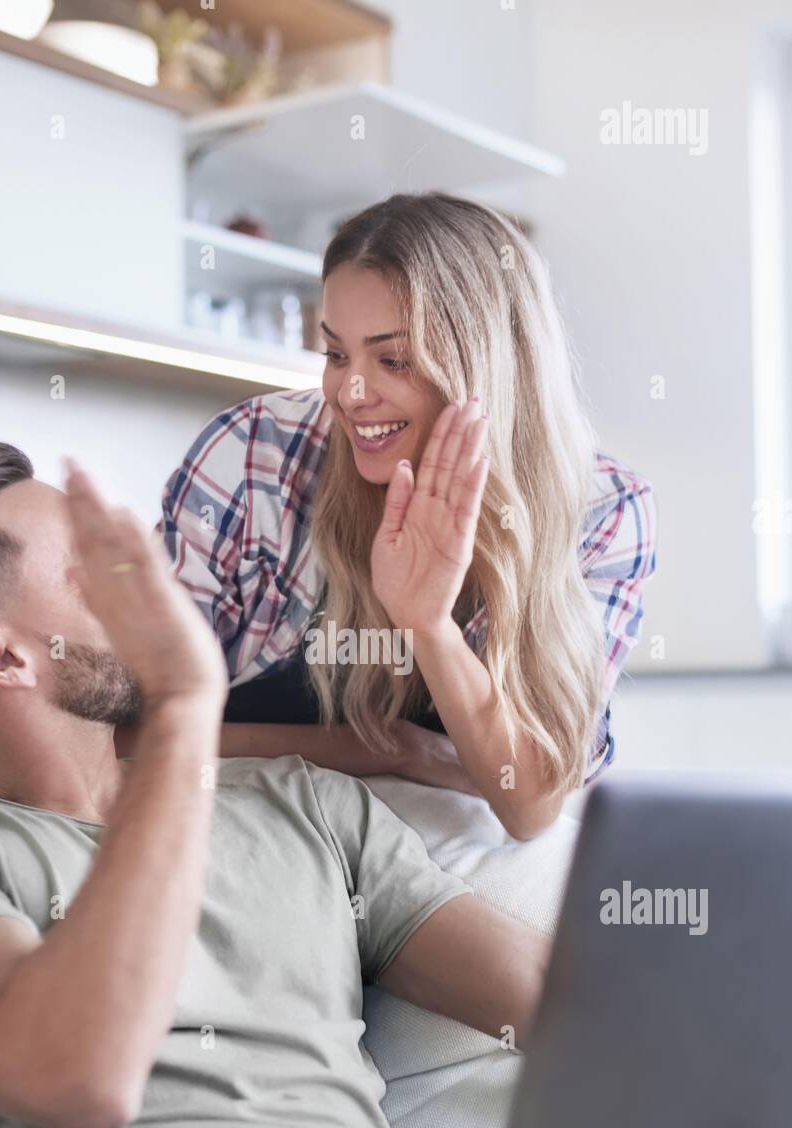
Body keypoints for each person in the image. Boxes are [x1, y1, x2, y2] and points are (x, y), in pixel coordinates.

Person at [0, 438, 562, 1128]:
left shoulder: (300, 805)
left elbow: (564, 1004)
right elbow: (82, 1077)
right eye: (95, 573)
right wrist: (188, 703)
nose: (150, 581)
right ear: (4, 657)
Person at [159, 193, 657, 841]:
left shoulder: (603, 510)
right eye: (336, 355)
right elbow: (137, 728)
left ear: (488, 363)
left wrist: (428, 624)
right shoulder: (257, 455)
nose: (351, 394)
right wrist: (392, 749)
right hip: (249, 832)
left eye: (392, 360)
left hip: (449, 859)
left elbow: (530, 804)